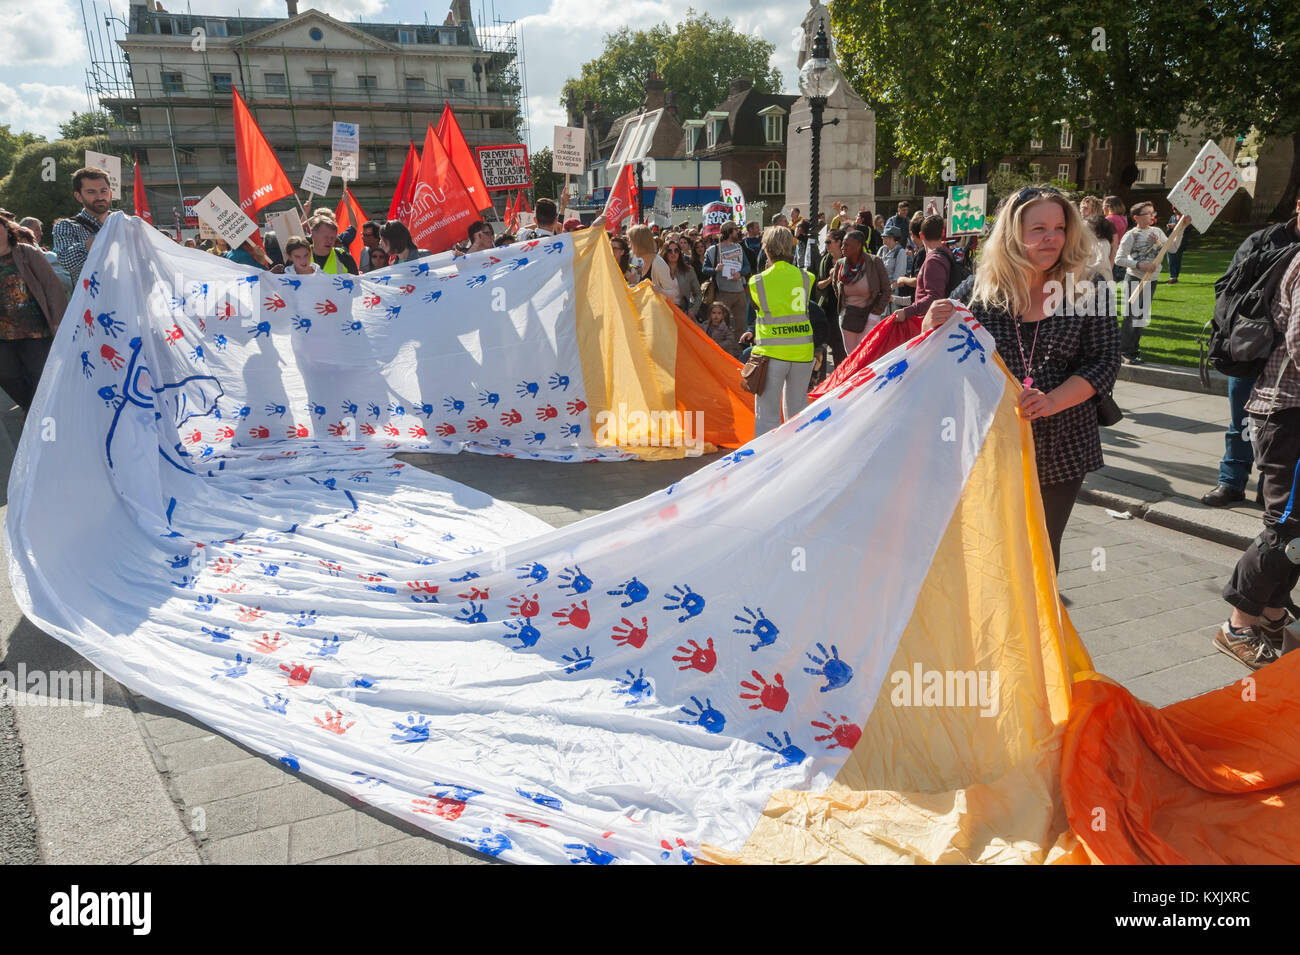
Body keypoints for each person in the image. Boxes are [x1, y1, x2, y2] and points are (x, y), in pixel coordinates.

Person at [922, 186, 1119, 569]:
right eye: (1039, 228)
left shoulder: (1089, 287)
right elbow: (942, 353)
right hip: (993, 442)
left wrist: (1052, 401)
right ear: (1013, 234)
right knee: (994, 544)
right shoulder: (983, 288)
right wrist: (930, 324)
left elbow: (1105, 362)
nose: (1052, 238)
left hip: (1061, 445)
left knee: (1040, 548)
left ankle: (1038, 627)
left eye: (1060, 228)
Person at [1214, 244, 1300, 669]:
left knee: (1298, 526)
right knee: (1286, 526)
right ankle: (1237, 625)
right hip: (1288, 413)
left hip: (1287, 413)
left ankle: (1271, 612)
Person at [1200, 198, 1300, 509]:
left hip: (1287, 361)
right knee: (1242, 418)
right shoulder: (1263, 240)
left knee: (1284, 427)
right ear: (1298, 205)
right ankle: (1231, 481)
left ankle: (1270, 486)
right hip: (1252, 344)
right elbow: (1228, 288)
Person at [738, 226, 815, 436]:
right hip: (802, 352)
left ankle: (766, 462)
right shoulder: (807, 277)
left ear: (767, 249)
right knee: (798, 411)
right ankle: (799, 454)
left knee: (767, 415)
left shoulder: (757, 281)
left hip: (772, 354)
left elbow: (757, 308)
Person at [0, 214, 68, 412]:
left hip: (36, 331)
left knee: (40, 374)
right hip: (3, 335)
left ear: (7, 229)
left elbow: (52, 286)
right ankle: (31, 408)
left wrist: (57, 319)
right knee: (7, 375)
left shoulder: (26, 253)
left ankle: (40, 417)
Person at [1115, 200, 1167, 364]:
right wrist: (1140, 265)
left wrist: (1182, 228)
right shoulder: (1131, 235)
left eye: (1153, 213)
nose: (1152, 216)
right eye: (1148, 213)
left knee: (1141, 316)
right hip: (1135, 278)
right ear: (1136, 217)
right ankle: (1124, 351)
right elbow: (1119, 259)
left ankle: (1134, 350)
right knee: (1132, 315)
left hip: (1152, 280)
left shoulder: (1157, 232)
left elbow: (1172, 248)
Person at [887, 214, 953, 328]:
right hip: (936, 321)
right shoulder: (945, 253)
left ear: (921, 235)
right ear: (942, 233)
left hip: (932, 324)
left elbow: (934, 298)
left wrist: (906, 312)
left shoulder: (934, 261)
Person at [835, 229, 892, 353]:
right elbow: (837, 288)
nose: (843, 247)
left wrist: (876, 312)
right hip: (848, 317)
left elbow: (887, 290)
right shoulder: (840, 264)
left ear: (859, 245)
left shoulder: (874, 262)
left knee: (866, 354)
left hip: (869, 316)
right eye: (842, 244)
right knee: (851, 356)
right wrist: (843, 310)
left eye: (847, 244)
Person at [53, 166, 113, 283]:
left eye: (103, 191)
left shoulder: (124, 222)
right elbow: (67, 262)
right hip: (92, 299)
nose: (100, 197)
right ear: (79, 196)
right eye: (91, 192)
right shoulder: (66, 226)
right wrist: (92, 244)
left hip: (125, 298)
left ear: (110, 193)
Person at [702, 221, 752, 340]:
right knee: (721, 326)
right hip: (723, 293)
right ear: (729, 232)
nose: (738, 232)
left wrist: (740, 273)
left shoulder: (738, 247)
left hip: (739, 293)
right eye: (735, 230)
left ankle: (738, 352)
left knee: (740, 326)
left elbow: (747, 266)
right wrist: (715, 269)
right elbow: (704, 269)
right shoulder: (713, 250)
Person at [815, 228, 846, 366]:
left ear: (839, 242)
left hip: (844, 306)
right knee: (823, 344)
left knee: (839, 345)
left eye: (829, 242)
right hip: (827, 306)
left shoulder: (848, 258)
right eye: (825, 242)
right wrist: (830, 278)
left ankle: (841, 376)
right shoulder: (825, 260)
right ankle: (820, 379)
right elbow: (819, 285)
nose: (826, 245)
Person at [664, 240, 702, 315]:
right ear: (665, 253)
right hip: (664, 312)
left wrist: (693, 310)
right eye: (669, 251)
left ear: (680, 252)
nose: (673, 253)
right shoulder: (659, 270)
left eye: (676, 250)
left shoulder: (689, 271)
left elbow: (698, 294)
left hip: (682, 312)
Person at [878, 225, 909, 297]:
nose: (882, 238)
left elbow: (899, 276)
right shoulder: (882, 249)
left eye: (885, 236)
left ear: (892, 238)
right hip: (879, 289)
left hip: (892, 293)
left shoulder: (901, 252)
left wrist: (888, 291)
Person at [1103, 195, 1128, 283]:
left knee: (1104, 278)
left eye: (1104, 206)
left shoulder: (1109, 219)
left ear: (1108, 206)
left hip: (1108, 250)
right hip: (1117, 249)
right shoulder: (1123, 218)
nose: (1103, 209)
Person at [1165, 207, 1187, 283]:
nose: (1175, 211)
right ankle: (1172, 276)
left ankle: (1176, 276)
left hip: (1181, 241)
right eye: (1173, 209)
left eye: (1176, 209)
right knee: (1170, 259)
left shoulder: (1185, 218)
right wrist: (1169, 226)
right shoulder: (1172, 217)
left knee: (1178, 260)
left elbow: (1188, 228)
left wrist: (1177, 226)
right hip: (1171, 240)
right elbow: (1168, 230)